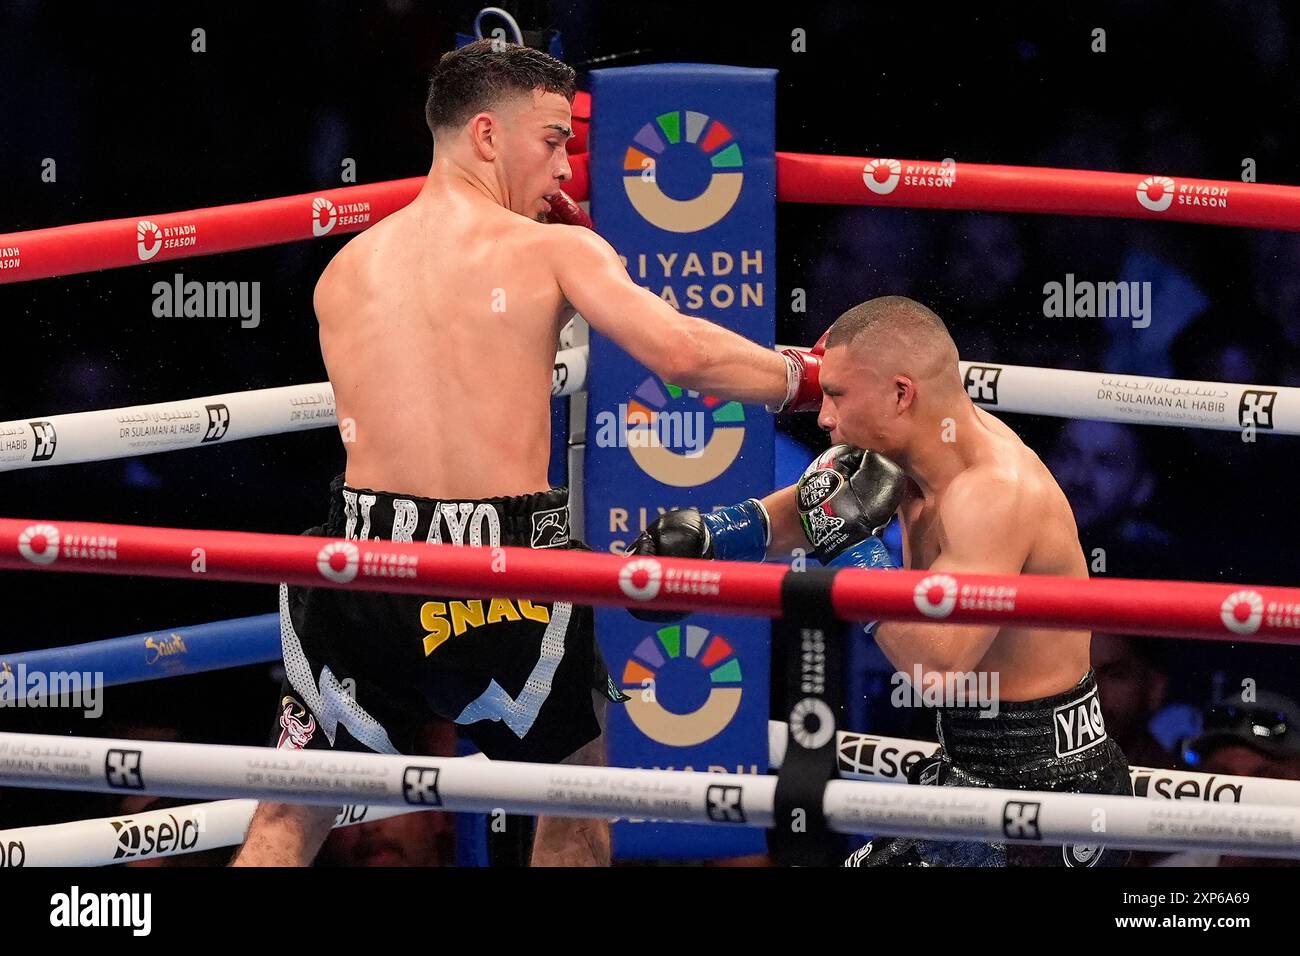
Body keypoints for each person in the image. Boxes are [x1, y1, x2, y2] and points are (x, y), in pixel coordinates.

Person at [232, 39, 817, 867]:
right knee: (572, 816)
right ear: (484, 135)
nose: (564, 171)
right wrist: (808, 378)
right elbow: (682, 354)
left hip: (357, 561)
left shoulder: (345, 267)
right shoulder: (553, 252)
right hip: (503, 572)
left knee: (289, 821)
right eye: (550, 141)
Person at [631, 295, 1133, 867]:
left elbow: (936, 670)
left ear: (901, 393)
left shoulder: (991, 494)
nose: (822, 417)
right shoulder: (908, 451)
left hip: (1045, 792)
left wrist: (852, 549)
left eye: (838, 395)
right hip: (968, 767)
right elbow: (810, 513)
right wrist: (710, 540)